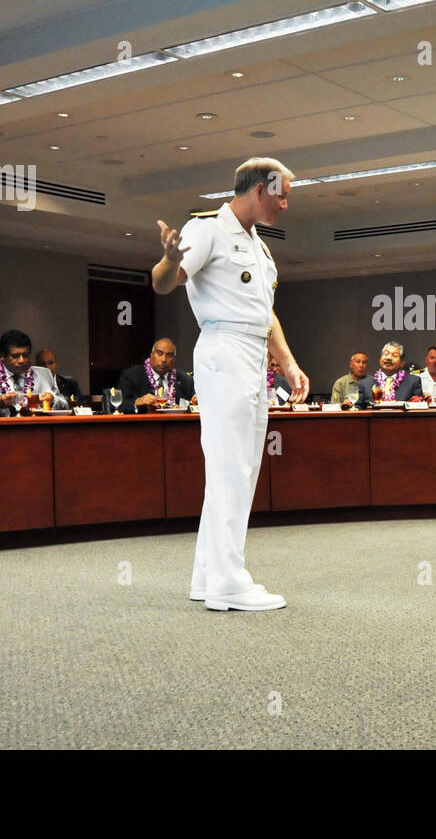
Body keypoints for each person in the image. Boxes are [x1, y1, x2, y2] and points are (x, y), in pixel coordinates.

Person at [152, 157, 309, 613]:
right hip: (224, 349)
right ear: (261, 189)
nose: (285, 205)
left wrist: (288, 362)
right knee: (232, 469)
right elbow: (163, 283)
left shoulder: (259, 245)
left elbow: (265, 314)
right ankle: (229, 582)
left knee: (236, 469)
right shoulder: (207, 230)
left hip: (252, 353)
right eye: (282, 196)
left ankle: (208, 576)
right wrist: (169, 258)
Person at [0, 330, 68, 416]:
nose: (22, 360)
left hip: (36, 428)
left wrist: (53, 400)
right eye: (15, 356)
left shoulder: (44, 374)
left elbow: (65, 405)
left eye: (25, 355)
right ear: (2, 356)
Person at [116, 338, 197, 413]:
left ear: (174, 359)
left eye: (169, 355)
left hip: (178, 423)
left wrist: (197, 401)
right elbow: (118, 405)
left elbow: (195, 402)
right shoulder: (131, 376)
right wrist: (137, 402)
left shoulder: (186, 380)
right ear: (151, 354)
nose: (164, 359)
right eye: (159, 353)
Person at [357, 341, 422, 404]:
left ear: (402, 363)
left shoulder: (413, 382)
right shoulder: (365, 384)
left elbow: (418, 406)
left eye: (394, 355)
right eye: (386, 354)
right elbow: (359, 407)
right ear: (380, 358)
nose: (388, 358)